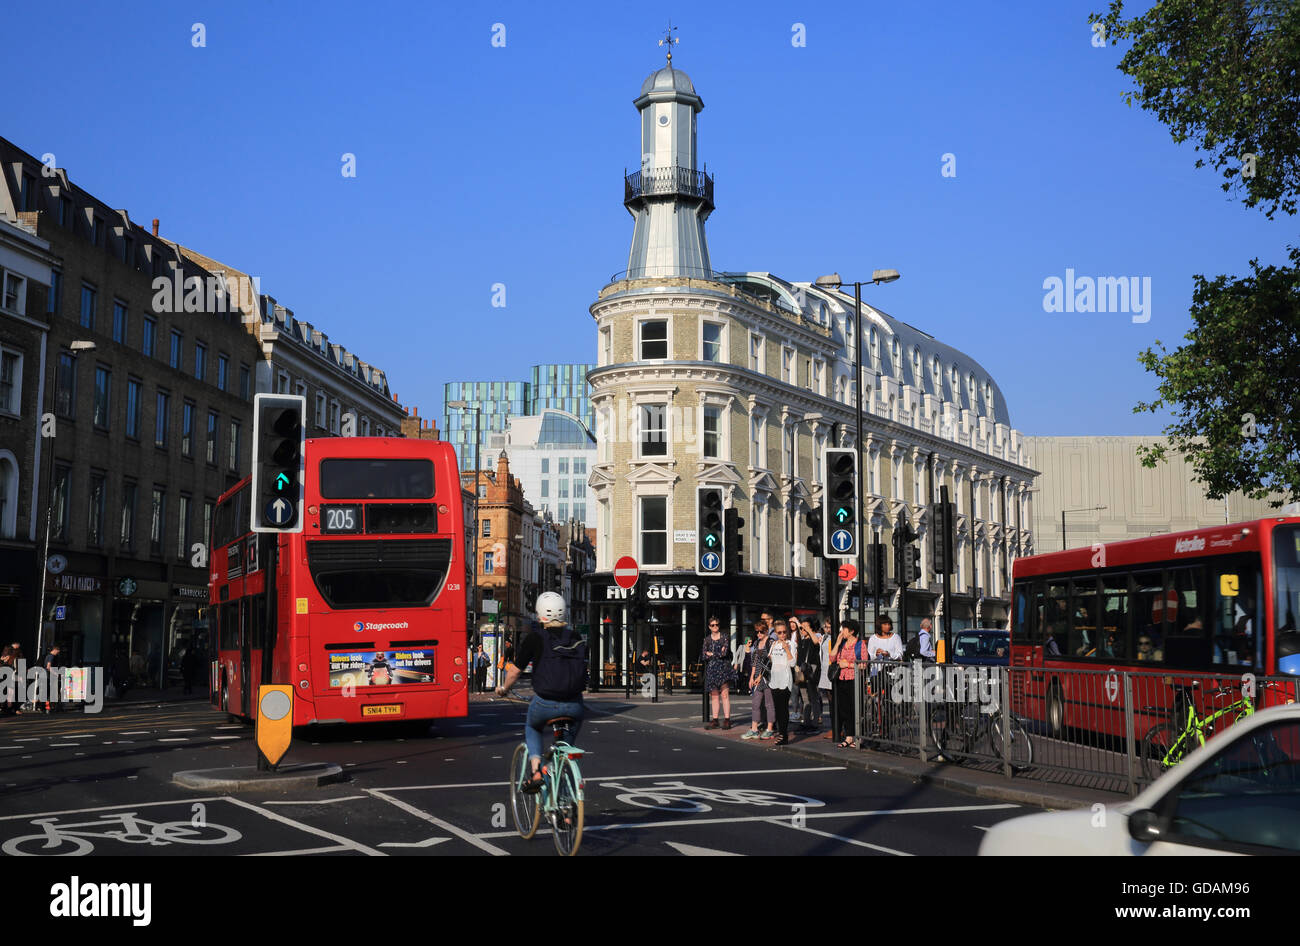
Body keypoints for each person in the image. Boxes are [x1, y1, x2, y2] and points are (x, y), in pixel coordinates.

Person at [496, 592, 586, 793]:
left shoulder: (535, 638)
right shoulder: (576, 637)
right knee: (564, 749)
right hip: (575, 705)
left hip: (545, 703)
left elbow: (515, 671)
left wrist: (504, 688)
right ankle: (568, 810)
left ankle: (536, 771)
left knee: (532, 726)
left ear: (540, 615)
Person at [828, 619, 864, 748]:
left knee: (855, 708)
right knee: (844, 709)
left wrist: (847, 665)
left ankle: (858, 736)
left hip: (854, 679)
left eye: (844, 629)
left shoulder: (860, 644)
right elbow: (832, 658)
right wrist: (837, 642)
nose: (842, 631)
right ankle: (849, 736)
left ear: (852, 631)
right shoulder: (842, 643)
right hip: (841, 679)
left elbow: (864, 665)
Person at [742, 621, 775, 741]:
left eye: (762, 631)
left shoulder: (770, 642)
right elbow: (754, 661)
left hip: (768, 676)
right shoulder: (756, 643)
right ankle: (754, 729)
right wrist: (751, 677)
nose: (759, 634)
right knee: (755, 703)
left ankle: (770, 729)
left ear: (766, 630)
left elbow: (770, 661)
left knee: (769, 704)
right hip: (757, 677)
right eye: (757, 632)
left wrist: (761, 676)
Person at [700, 615, 734, 729]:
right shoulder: (707, 639)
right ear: (709, 627)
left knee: (725, 694)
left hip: (724, 668)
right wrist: (715, 653)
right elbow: (703, 655)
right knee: (714, 695)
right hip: (712, 669)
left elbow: (724, 653)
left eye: (717, 625)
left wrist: (711, 654)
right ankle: (715, 720)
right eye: (713, 625)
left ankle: (727, 719)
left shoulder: (725, 637)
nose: (715, 627)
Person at [767, 621, 797, 746]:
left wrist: (787, 649)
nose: (783, 634)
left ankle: (784, 735)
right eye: (780, 632)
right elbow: (770, 659)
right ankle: (780, 733)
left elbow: (792, 663)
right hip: (775, 679)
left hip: (785, 679)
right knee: (777, 708)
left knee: (783, 708)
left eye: (785, 632)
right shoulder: (773, 644)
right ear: (776, 633)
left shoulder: (791, 644)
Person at [797, 618, 823, 731]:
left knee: (813, 697)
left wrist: (809, 630)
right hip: (802, 671)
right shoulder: (802, 641)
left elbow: (816, 642)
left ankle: (815, 721)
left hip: (812, 670)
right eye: (801, 628)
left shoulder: (814, 639)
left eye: (805, 628)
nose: (802, 630)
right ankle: (806, 721)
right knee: (805, 698)